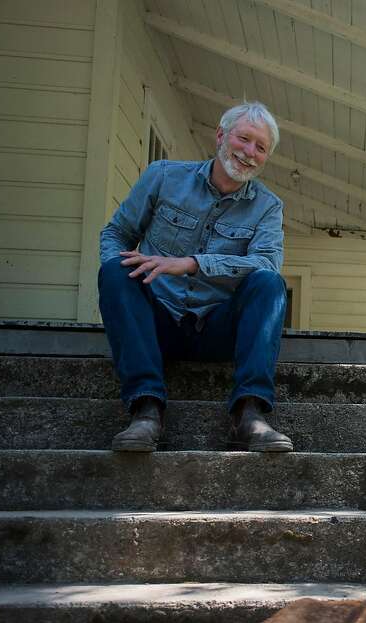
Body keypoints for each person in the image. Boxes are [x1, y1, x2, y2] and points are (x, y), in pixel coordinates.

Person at [98, 101, 292, 453]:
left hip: (218, 328)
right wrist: (123, 285)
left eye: (261, 147)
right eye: (244, 139)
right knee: (114, 270)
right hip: (156, 322)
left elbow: (266, 262)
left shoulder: (268, 207)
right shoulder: (163, 177)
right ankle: (146, 410)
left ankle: (249, 414)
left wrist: (192, 264)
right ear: (220, 136)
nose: (250, 152)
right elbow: (117, 234)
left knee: (270, 284)